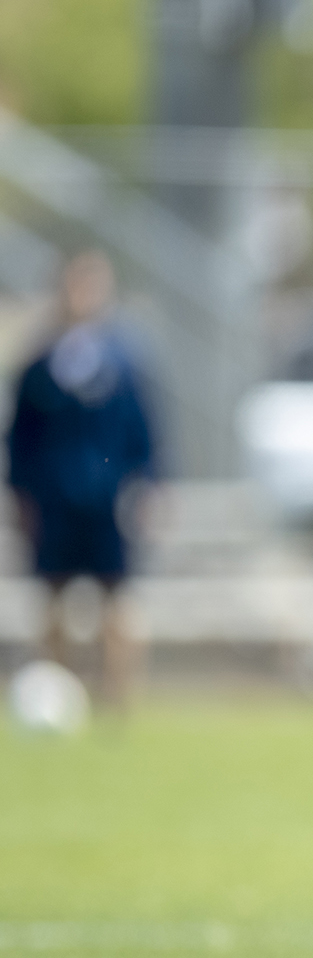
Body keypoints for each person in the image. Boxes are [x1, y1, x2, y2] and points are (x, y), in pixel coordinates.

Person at [6, 250, 160, 711]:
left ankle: (116, 699)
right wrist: (19, 495)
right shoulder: (38, 365)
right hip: (55, 498)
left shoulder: (124, 363)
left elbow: (145, 432)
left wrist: (150, 486)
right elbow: (20, 439)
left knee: (117, 603)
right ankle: (56, 694)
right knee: (52, 602)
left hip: (107, 499)